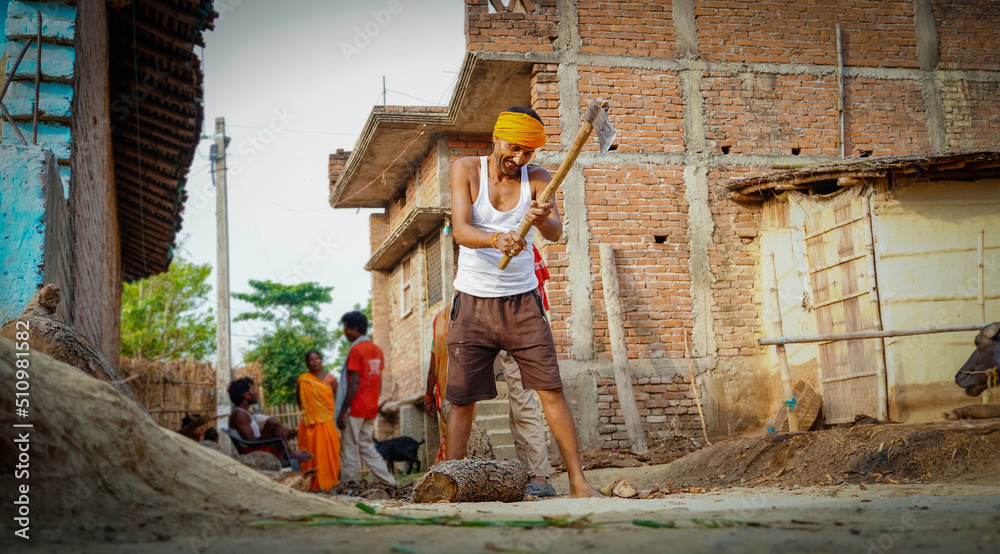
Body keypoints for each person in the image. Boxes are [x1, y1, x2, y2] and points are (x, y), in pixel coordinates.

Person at [445, 106, 601, 498]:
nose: (519, 159)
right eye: (514, 148)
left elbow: (555, 234)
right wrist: (496, 239)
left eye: (528, 152)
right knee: (462, 398)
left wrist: (543, 215)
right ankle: (449, 483)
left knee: (550, 389)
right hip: (473, 301)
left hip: (523, 303)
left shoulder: (540, 178)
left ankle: (579, 483)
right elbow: (461, 231)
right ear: (496, 138)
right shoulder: (465, 169)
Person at [335, 311, 396, 486]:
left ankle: (350, 484)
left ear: (354, 329)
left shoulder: (356, 349)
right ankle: (389, 481)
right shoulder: (376, 349)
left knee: (349, 448)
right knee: (367, 446)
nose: (344, 332)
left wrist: (342, 412)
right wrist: (375, 403)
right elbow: (378, 380)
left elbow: (354, 381)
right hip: (370, 408)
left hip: (355, 408)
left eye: (346, 328)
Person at [227, 377, 313, 463]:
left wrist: (281, 432)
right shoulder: (239, 414)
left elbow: (255, 435)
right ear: (246, 395)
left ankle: (290, 451)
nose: (256, 392)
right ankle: (291, 453)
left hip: (258, 448)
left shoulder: (244, 412)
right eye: (253, 389)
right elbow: (252, 442)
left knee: (275, 428)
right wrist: (271, 427)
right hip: (254, 453)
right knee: (272, 422)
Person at [296, 350, 342, 490]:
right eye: (311, 359)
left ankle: (330, 483)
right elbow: (300, 402)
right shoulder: (303, 380)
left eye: (317, 359)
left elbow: (339, 399)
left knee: (330, 453)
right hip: (309, 424)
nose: (314, 361)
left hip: (328, 423)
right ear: (307, 363)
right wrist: (312, 413)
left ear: (321, 361)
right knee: (311, 454)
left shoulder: (331, 379)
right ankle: (312, 484)